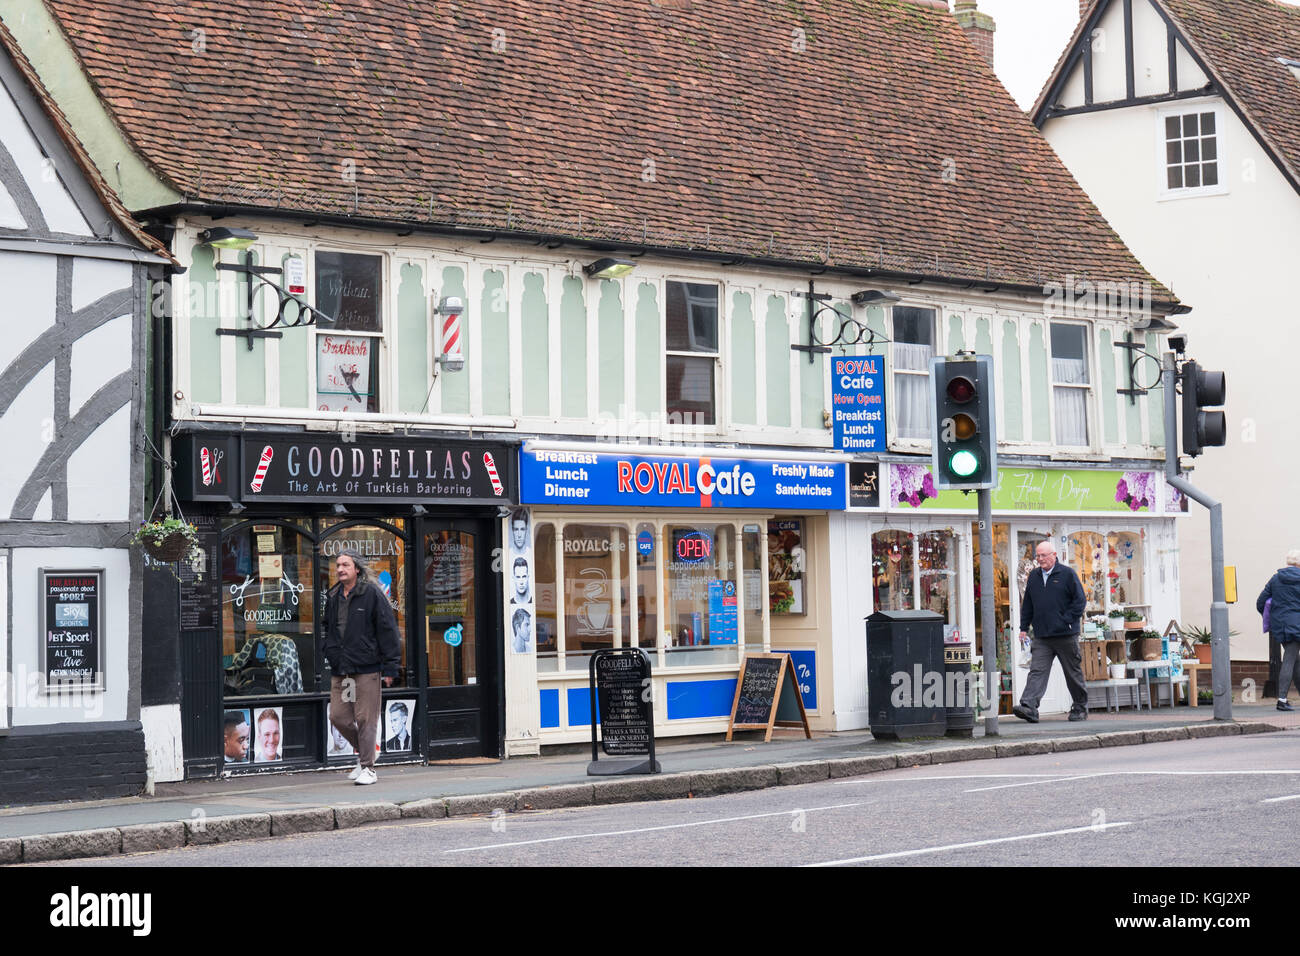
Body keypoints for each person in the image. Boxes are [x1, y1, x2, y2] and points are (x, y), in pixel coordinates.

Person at [322, 550, 400, 785]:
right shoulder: (334, 595)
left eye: (345, 565)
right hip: (342, 668)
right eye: (337, 565)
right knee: (338, 717)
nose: (340, 569)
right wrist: (330, 650)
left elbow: (388, 630)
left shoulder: (371, 594)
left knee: (366, 718)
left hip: (366, 668)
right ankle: (367, 752)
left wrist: (390, 667)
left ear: (357, 568)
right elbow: (328, 627)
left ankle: (368, 768)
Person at [1012, 541, 1089, 723]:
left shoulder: (1067, 574)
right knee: (1037, 671)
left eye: (1043, 555)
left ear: (1054, 555)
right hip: (1042, 635)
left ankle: (1080, 707)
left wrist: (1066, 620)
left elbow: (1080, 601)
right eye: (1037, 556)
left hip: (1065, 635)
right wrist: (1024, 628)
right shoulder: (1034, 577)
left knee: (1072, 672)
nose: (1040, 559)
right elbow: (1028, 605)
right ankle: (1029, 706)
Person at [1258, 550, 1300, 712]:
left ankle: (1284, 698)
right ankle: (1281, 700)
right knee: (1290, 659)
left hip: (1281, 626)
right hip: (1297, 625)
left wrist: (1273, 617)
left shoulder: (1276, 579)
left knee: (1295, 660)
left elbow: (1260, 602)